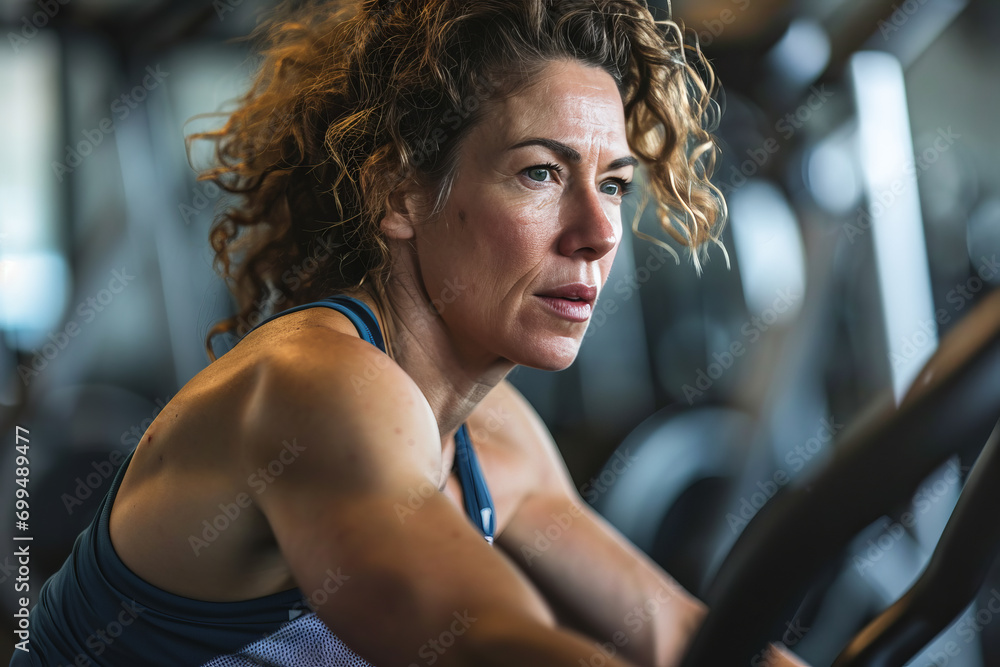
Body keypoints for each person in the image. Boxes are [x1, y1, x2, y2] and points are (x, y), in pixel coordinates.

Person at [14, 0, 809, 665]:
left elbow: (682, 637)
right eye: (541, 172)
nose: (601, 232)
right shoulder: (311, 384)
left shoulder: (497, 440)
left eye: (613, 184)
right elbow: (492, 643)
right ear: (397, 194)